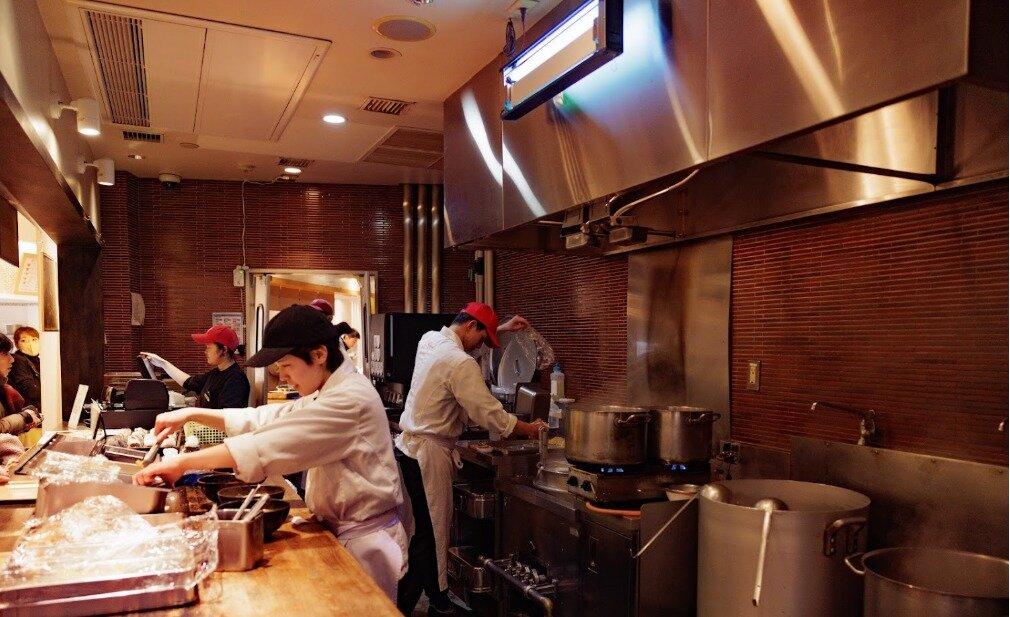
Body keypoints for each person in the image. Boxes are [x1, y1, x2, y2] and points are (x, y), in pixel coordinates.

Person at [134, 305, 407, 600]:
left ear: (319, 355)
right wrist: (191, 414)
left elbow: (269, 444)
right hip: (343, 530)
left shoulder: (350, 398)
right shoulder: (329, 389)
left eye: (286, 365)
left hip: (365, 543)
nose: (283, 376)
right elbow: (267, 418)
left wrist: (182, 463)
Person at [395, 302, 547, 616]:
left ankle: (423, 601)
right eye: (482, 338)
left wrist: (499, 329)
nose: (481, 346)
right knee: (432, 533)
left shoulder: (430, 340)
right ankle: (422, 605)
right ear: (469, 326)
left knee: (422, 532)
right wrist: (528, 429)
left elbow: (465, 348)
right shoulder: (459, 362)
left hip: (410, 451)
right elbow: (488, 413)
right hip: (429, 454)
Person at [141, 325, 250, 409]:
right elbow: (189, 382)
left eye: (209, 347)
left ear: (224, 350)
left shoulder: (236, 379)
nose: (205, 351)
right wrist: (163, 363)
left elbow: (227, 418)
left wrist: (191, 414)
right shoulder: (216, 373)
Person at [0, 333, 42, 435]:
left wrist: (24, 417)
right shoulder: (21, 360)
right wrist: (24, 417)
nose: (12, 359)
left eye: (34, 339)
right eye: (5, 354)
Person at [8, 326, 41, 410]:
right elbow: (28, 390)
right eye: (24, 340)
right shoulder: (18, 360)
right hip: (28, 409)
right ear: (17, 344)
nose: (30, 344)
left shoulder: (37, 360)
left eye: (34, 339)